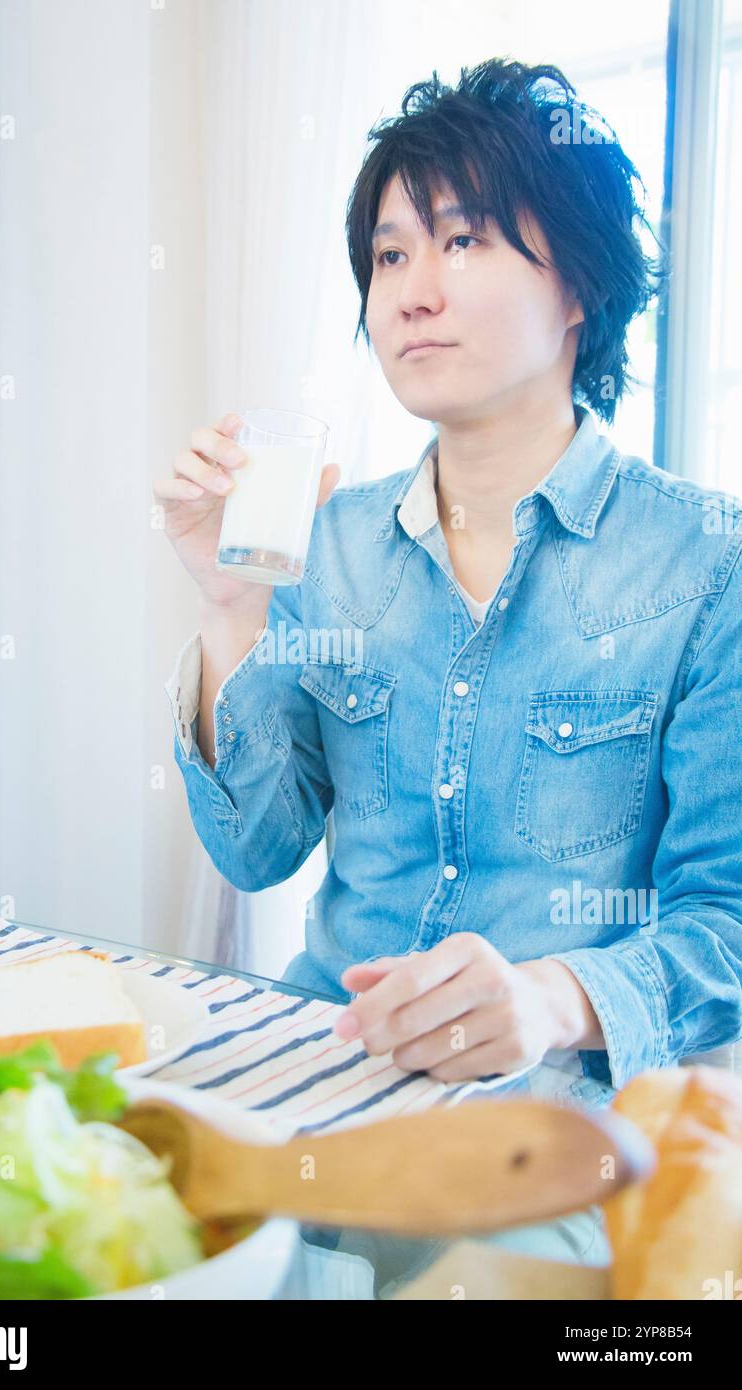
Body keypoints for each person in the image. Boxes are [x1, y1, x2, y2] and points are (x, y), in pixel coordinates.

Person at [155, 59, 742, 1094]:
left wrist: (549, 997)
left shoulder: (705, 561)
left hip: (555, 1109)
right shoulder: (322, 542)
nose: (412, 294)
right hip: (322, 1057)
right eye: (389, 255)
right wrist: (229, 607)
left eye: (462, 240)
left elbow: (725, 926)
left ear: (579, 284)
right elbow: (255, 852)